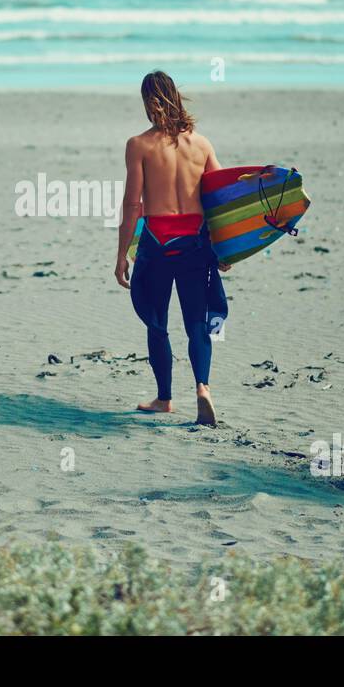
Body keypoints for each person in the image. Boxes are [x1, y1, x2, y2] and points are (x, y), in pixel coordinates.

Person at [115, 71, 229, 427]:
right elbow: (222, 200)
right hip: (196, 243)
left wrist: (122, 254)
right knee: (196, 321)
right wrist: (226, 249)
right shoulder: (202, 144)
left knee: (156, 322)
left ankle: (164, 399)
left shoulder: (139, 145)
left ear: (149, 102)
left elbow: (133, 205)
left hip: (158, 245)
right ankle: (203, 389)